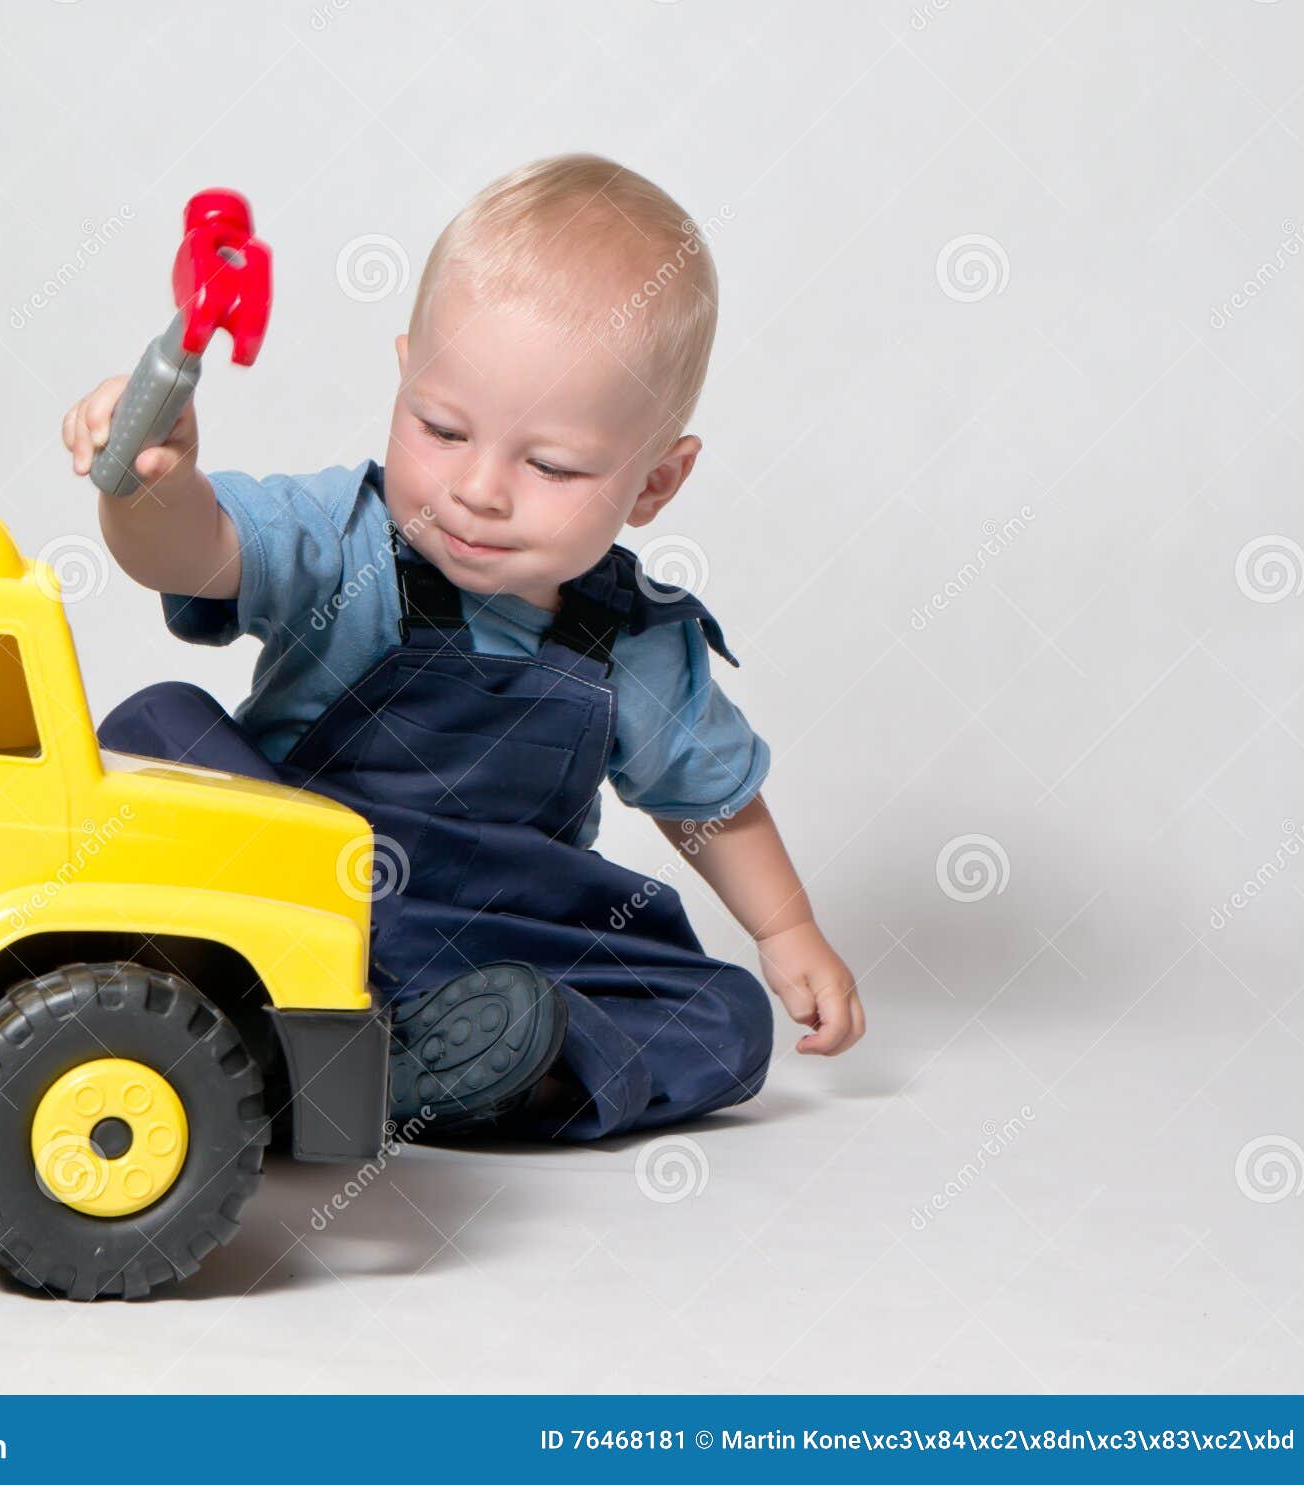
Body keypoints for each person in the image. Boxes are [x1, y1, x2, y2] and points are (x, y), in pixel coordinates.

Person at [62, 153, 866, 1142]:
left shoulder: (636, 643)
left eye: (551, 464)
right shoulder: (345, 542)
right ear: (404, 377)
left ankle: (458, 1068)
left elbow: (711, 803)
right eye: (441, 429)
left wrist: (784, 933)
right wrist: (150, 487)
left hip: (492, 946)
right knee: (158, 728)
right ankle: (282, 1016)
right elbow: (198, 553)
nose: (479, 489)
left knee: (726, 1019)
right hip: (297, 893)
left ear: (654, 486)